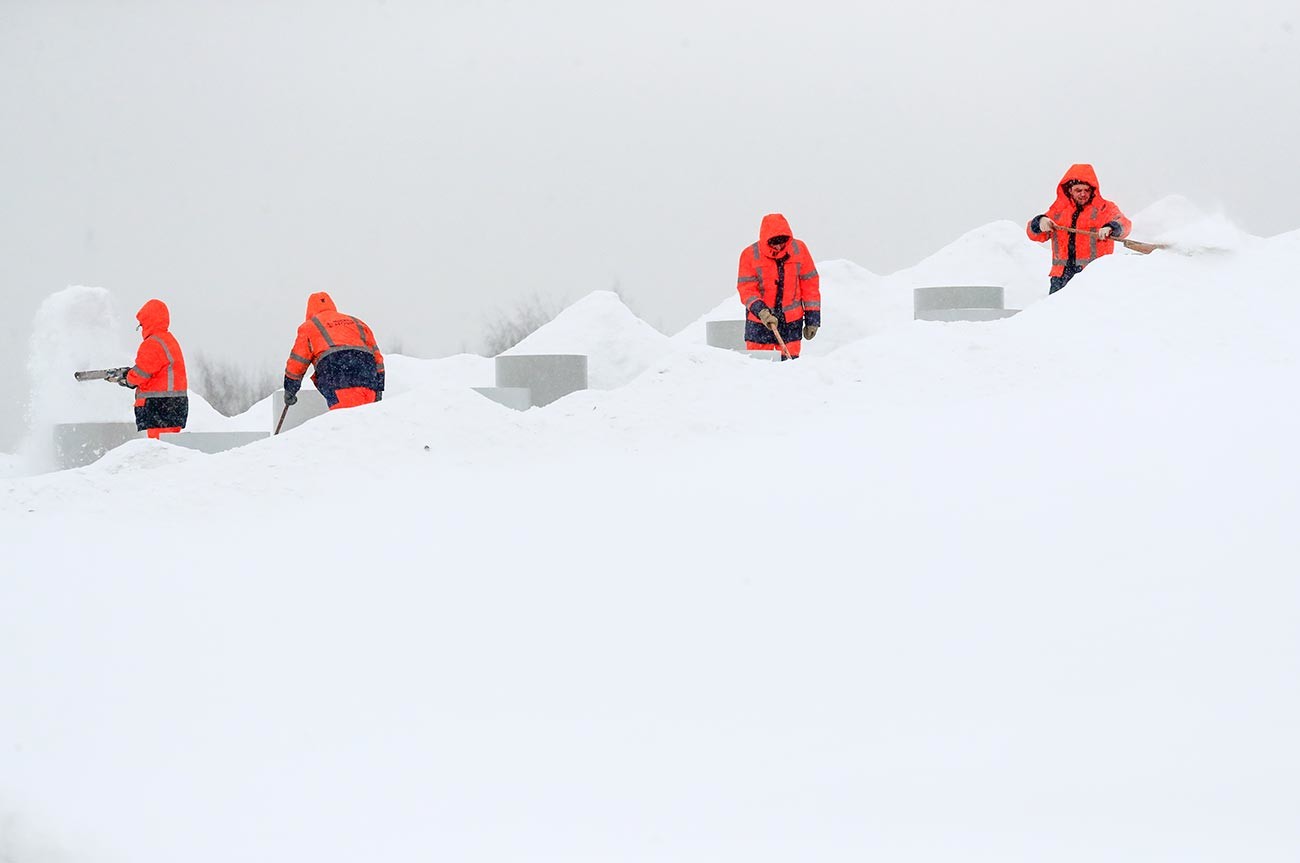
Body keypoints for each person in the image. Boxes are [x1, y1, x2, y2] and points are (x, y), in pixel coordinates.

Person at [1027, 163, 1132, 295]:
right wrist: (1039, 222)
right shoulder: (1058, 211)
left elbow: (1125, 224)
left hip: (1093, 277)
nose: (1083, 194)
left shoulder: (1104, 208)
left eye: (1086, 190)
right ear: (1070, 190)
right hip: (1060, 279)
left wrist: (1111, 227)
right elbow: (1032, 234)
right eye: (1078, 190)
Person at [736, 213, 821, 359]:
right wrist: (762, 312)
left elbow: (810, 285)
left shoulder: (799, 250)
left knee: (790, 367)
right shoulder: (749, 255)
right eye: (774, 242)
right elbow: (746, 289)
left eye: (782, 241)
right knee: (759, 366)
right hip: (759, 324)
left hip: (791, 324)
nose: (779, 246)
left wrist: (812, 319)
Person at [283, 292, 385, 410]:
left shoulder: (309, 327)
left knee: (345, 417)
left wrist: (290, 389)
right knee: (366, 417)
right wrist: (379, 386)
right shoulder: (357, 322)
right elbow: (377, 357)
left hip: (336, 373)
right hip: (367, 373)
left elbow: (298, 361)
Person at [114, 298, 189, 439]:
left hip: (159, 406)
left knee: (159, 447)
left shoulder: (153, 343)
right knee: (169, 445)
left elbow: (142, 372)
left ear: (148, 322)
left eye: (141, 325)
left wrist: (128, 379)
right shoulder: (169, 340)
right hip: (174, 406)